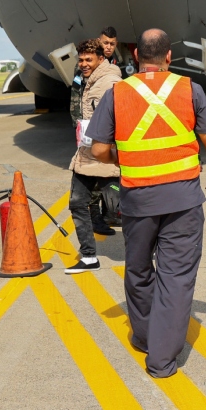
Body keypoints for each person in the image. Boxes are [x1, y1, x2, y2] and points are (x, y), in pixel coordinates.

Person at [88, 29, 206, 379]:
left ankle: (145, 336)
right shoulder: (189, 88)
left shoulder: (118, 92)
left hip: (137, 199)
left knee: (137, 269)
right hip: (182, 199)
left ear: (136, 56)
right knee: (176, 276)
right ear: (169, 57)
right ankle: (162, 360)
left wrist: (130, 160)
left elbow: (98, 150)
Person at [66, 39, 122, 274]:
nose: (83, 64)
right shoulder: (87, 81)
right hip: (87, 157)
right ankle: (89, 257)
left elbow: (116, 121)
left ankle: (146, 253)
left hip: (107, 159)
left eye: (89, 59)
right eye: (80, 60)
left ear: (101, 59)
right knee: (77, 203)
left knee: (123, 209)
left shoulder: (109, 83)